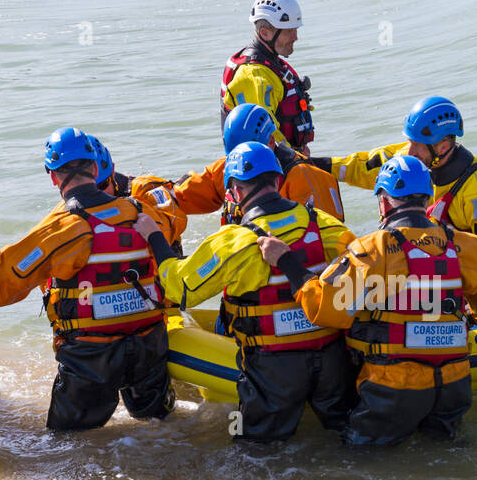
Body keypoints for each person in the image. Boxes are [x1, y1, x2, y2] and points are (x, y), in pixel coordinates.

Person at [257, 154, 477, 446]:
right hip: (454, 384)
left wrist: (287, 261)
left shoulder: (373, 249)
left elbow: (325, 310)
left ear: (384, 202)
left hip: (394, 388)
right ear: (428, 198)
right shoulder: (470, 246)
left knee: (362, 459)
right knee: (444, 450)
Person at [0, 127, 181, 431]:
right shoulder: (141, 212)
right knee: (161, 428)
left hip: (91, 358)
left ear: (53, 177)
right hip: (149, 345)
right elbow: (174, 223)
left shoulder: (58, 229)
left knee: (68, 444)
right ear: (96, 168)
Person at [133, 141, 355, 443]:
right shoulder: (327, 225)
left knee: (251, 450)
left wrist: (155, 237)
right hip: (332, 363)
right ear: (278, 180)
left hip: (273, 371)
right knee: (343, 439)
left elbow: (181, 288)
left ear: (234, 193)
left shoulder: (233, 241)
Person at [330, 96, 477, 266]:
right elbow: (362, 167)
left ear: (443, 147)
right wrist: (321, 166)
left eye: (417, 145)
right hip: (423, 261)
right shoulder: (412, 158)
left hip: (472, 272)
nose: (409, 151)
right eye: (410, 142)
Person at [174, 103, 344, 222]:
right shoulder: (230, 167)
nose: (244, 161)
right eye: (237, 154)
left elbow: (324, 241)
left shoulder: (303, 178)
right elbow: (182, 196)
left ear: (271, 141)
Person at [221, 0, 314, 155]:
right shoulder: (253, 76)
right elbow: (265, 138)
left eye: (295, 30)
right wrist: (297, 159)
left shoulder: (271, 64)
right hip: (269, 165)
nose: (295, 37)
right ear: (265, 33)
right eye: (289, 31)